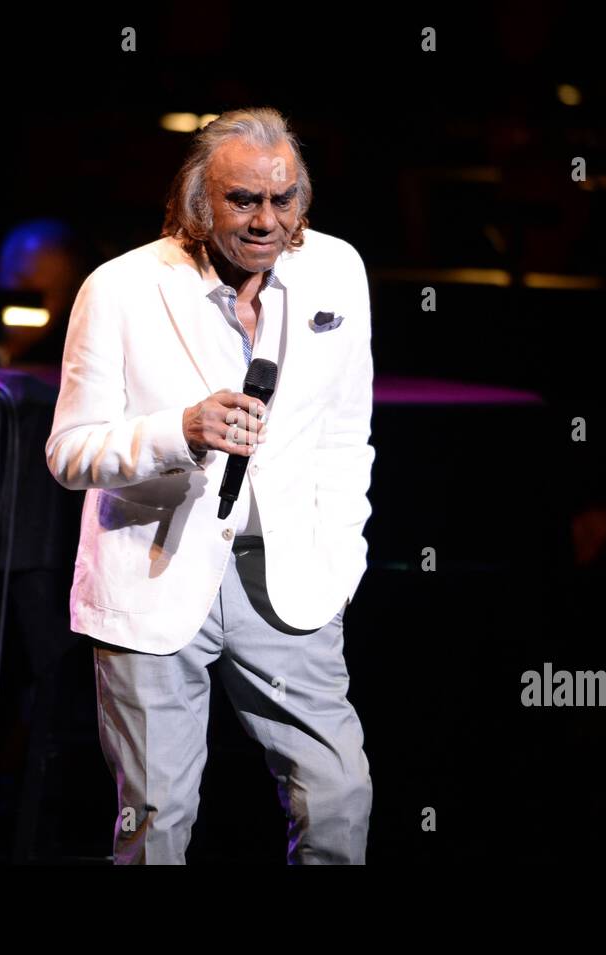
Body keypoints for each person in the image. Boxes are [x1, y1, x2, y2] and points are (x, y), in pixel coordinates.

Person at [45, 107, 374, 864]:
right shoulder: (121, 287)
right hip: (156, 581)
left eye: (282, 199)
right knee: (156, 822)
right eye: (243, 201)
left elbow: (346, 433)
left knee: (339, 794)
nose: (266, 220)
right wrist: (179, 431)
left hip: (289, 582)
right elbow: (68, 453)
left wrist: (342, 563)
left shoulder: (338, 271)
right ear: (199, 203)